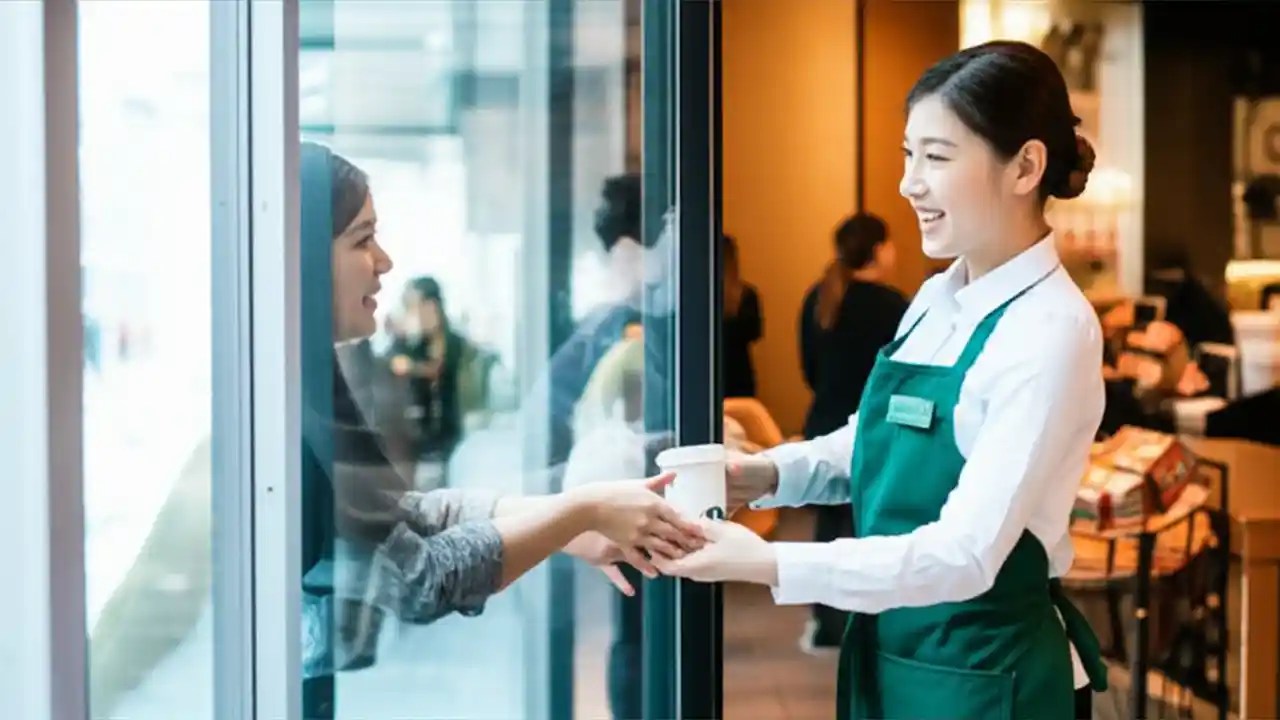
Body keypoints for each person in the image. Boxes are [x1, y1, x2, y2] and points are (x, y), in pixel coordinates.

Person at [657, 41, 1110, 719]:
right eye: (908, 154)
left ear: (1025, 167)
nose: (909, 183)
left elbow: (965, 555)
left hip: (989, 680)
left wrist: (770, 565)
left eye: (937, 156)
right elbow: (871, 443)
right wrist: (760, 474)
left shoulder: (1051, 331)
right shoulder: (935, 297)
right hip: (892, 652)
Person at [297, 142, 704, 718]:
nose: (385, 261)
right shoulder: (294, 389)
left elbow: (401, 514)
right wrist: (579, 512)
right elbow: (420, 576)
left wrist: (563, 520)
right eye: (363, 239)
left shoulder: (305, 371)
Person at [797, 212, 908, 652]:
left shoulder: (818, 297)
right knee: (872, 527)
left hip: (825, 420)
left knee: (830, 527)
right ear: (879, 249)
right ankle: (867, 623)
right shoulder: (894, 305)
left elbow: (809, 367)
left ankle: (827, 622)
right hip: (875, 427)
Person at [722, 233, 763, 398]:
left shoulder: (705, 299)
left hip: (714, 372)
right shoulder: (747, 295)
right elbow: (756, 333)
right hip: (740, 373)